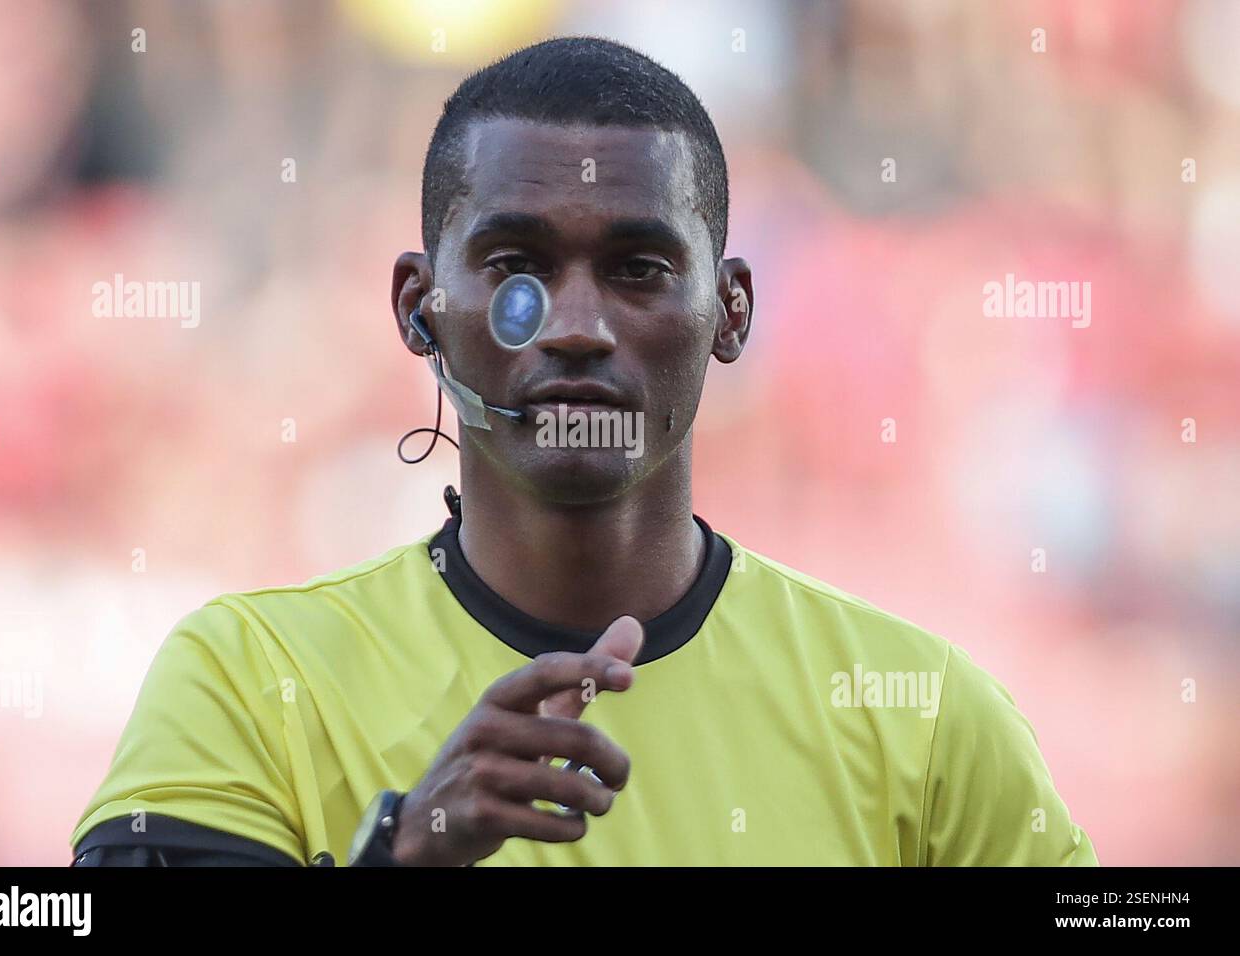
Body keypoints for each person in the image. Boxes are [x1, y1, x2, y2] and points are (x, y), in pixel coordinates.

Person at [72, 36, 1097, 867]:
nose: (573, 325)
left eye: (638, 267)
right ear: (417, 306)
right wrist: (405, 854)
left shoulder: (921, 716)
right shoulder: (249, 682)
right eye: (515, 265)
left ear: (730, 310)